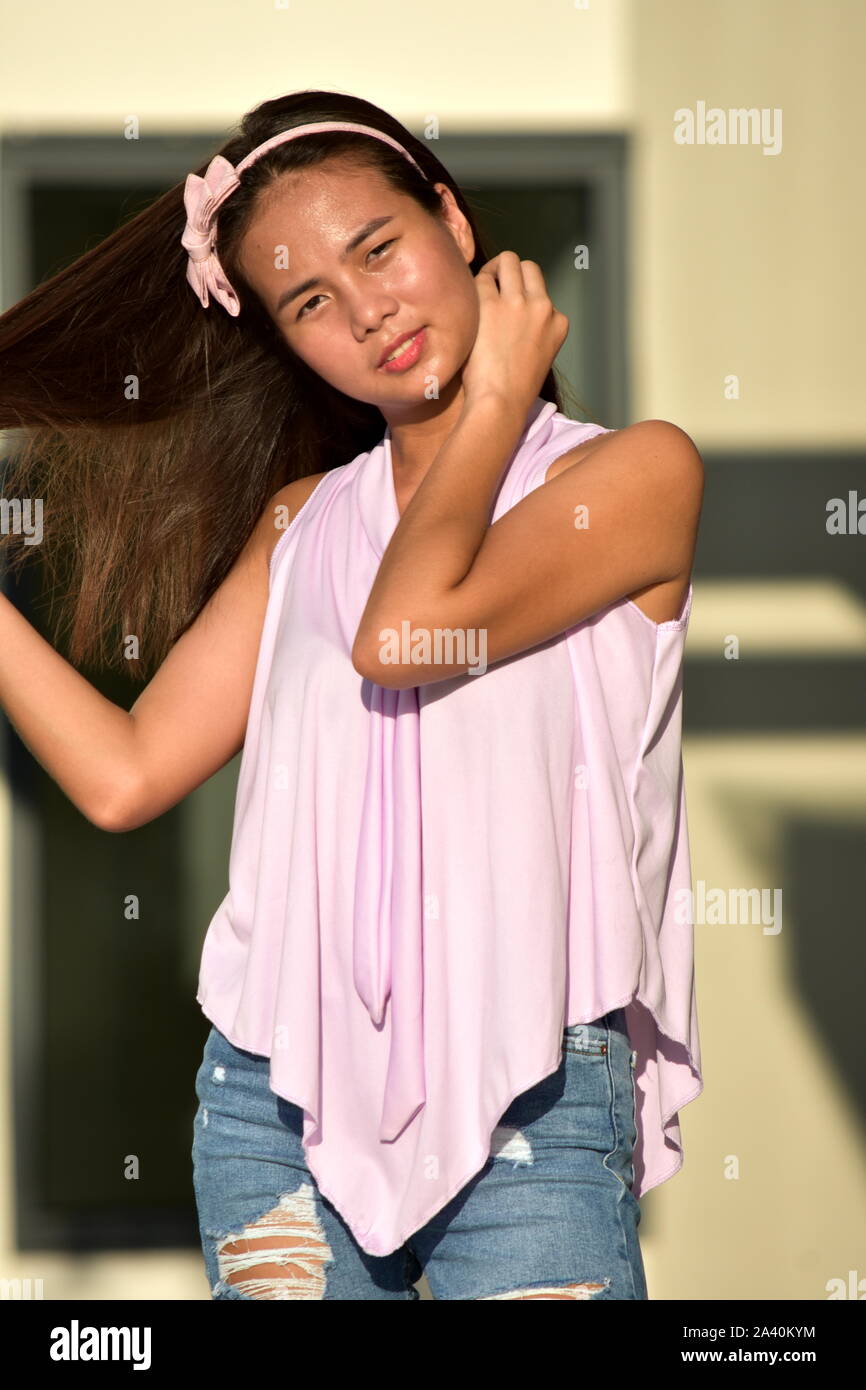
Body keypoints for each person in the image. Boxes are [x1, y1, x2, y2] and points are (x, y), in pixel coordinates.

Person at [0, 89, 704, 1300]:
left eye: (377, 249)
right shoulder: (301, 526)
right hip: (271, 1109)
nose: (368, 311)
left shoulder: (625, 478)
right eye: (309, 301)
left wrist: (491, 401)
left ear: (450, 215)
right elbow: (123, 777)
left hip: (532, 1103)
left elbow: (404, 633)